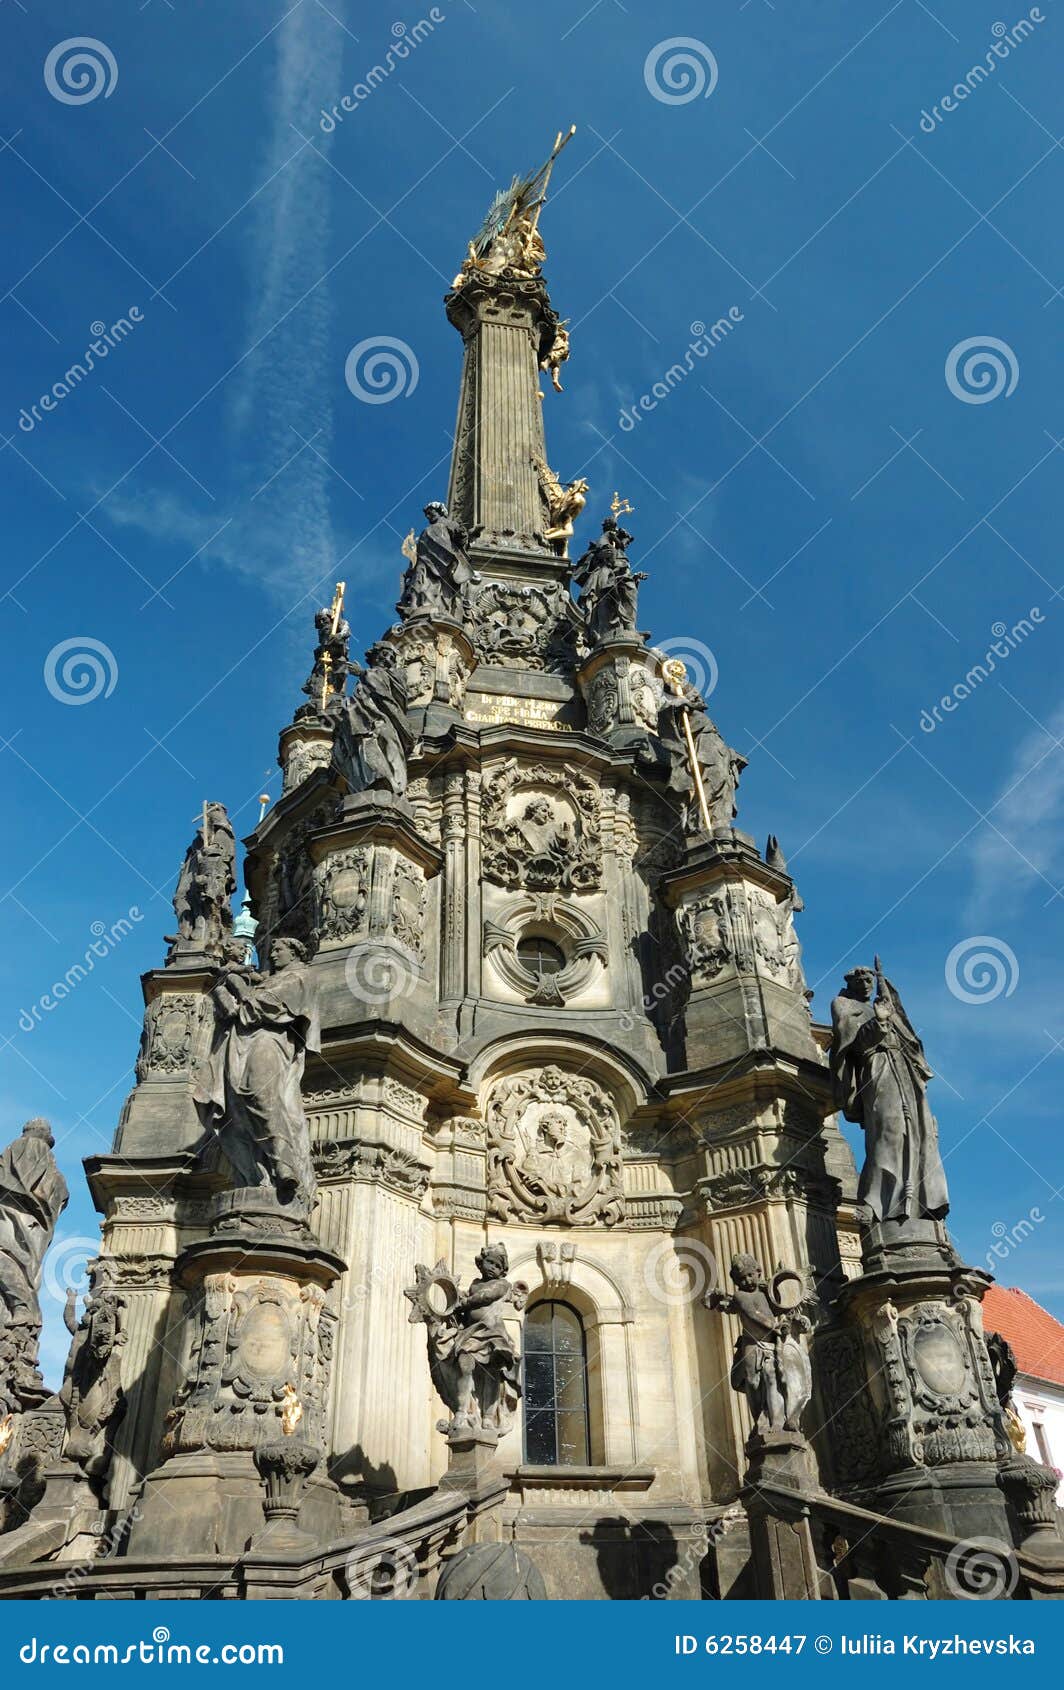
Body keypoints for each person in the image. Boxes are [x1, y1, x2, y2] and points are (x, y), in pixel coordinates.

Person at [193, 937, 319, 1213]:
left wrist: (235, 982)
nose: (272, 955)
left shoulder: (300, 976)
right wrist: (222, 985)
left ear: (295, 952)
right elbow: (234, 1011)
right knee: (234, 1112)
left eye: (279, 950)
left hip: (269, 1041)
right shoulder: (263, 979)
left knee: (261, 1096)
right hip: (238, 1042)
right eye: (271, 950)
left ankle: (284, 1166)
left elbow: (261, 1007)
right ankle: (256, 1176)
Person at [830, 963, 950, 1226]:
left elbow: (910, 1040)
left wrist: (891, 1017)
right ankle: (877, 1202)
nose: (865, 984)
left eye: (869, 980)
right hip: (876, 1069)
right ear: (849, 984)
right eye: (859, 980)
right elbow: (852, 1044)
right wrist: (879, 1021)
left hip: (903, 1071)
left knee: (917, 1131)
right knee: (889, 1131)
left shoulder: (881, 1004)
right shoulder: (843, 1005)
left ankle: (921, 1201)